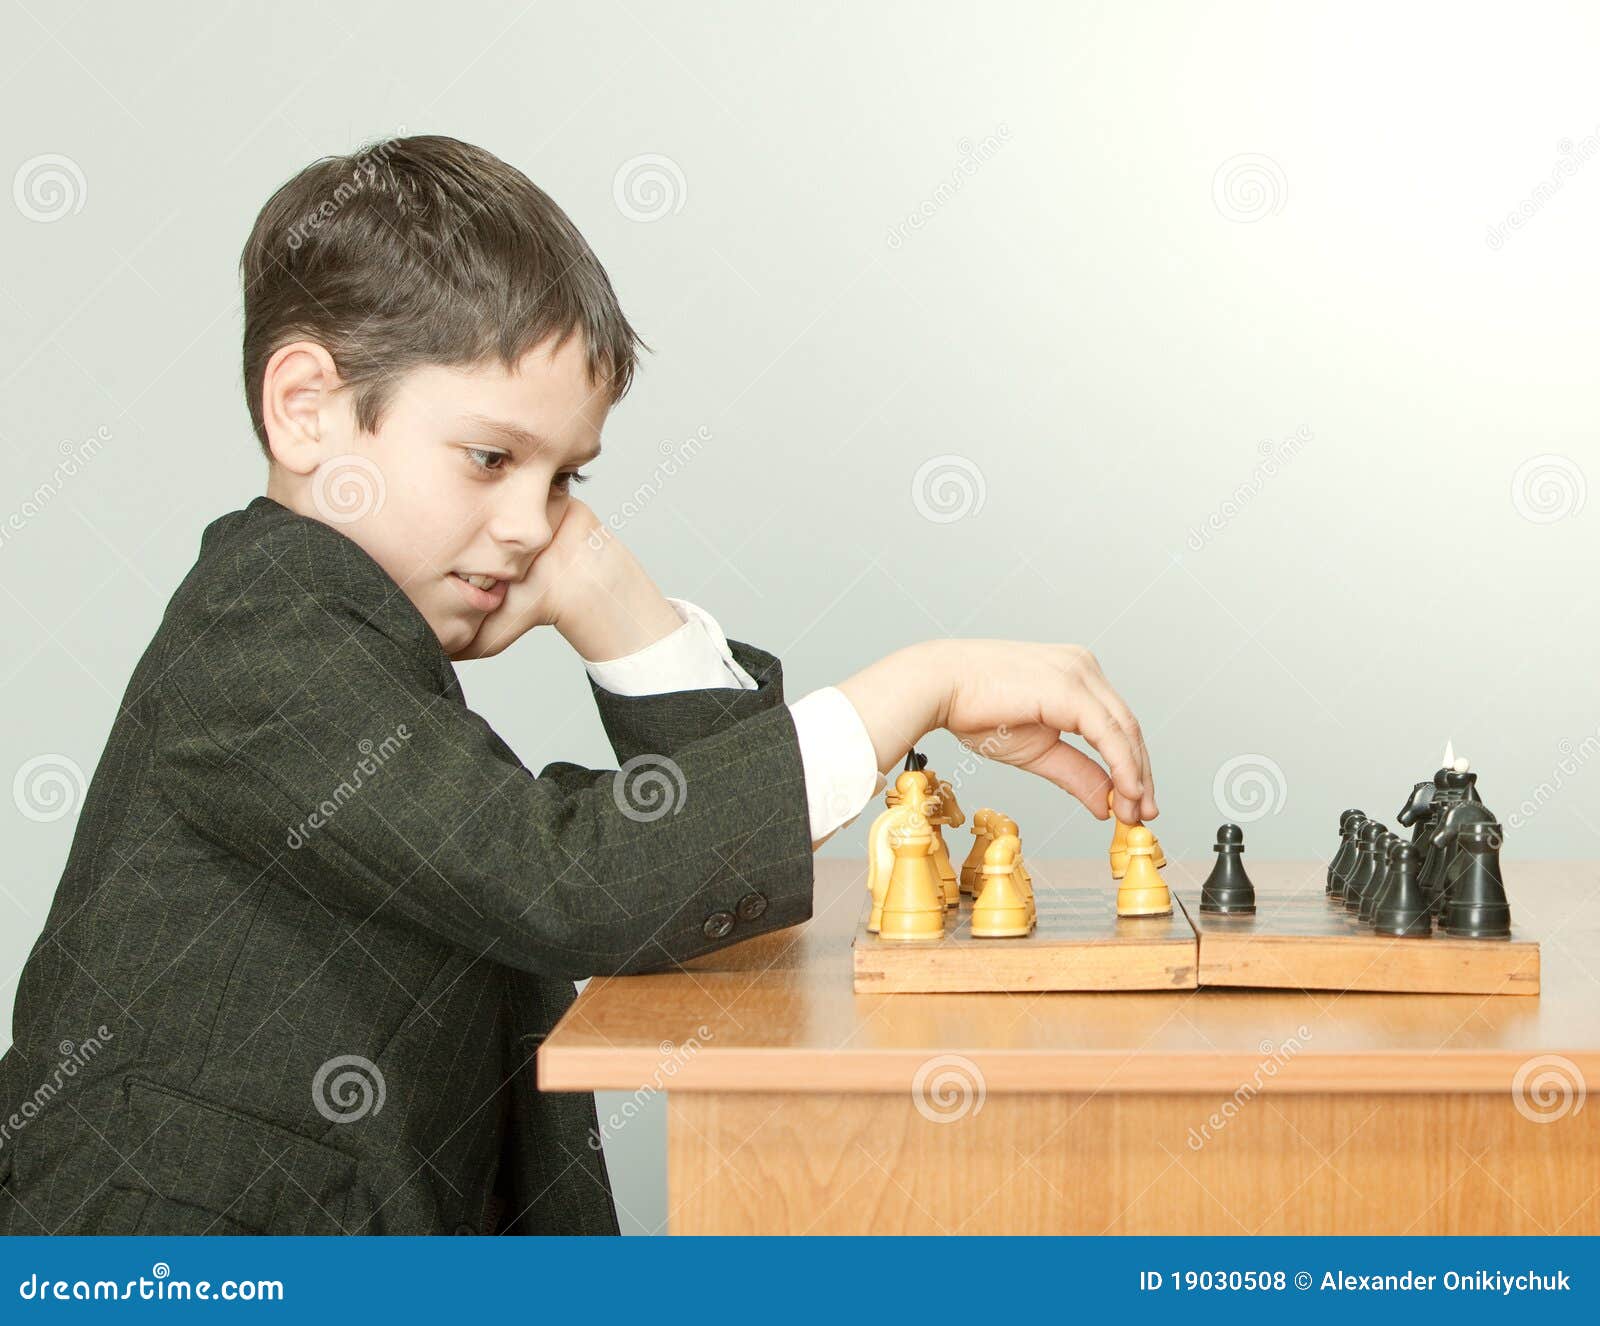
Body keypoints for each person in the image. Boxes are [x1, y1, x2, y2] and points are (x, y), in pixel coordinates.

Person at [0, 135, 1155, 1236]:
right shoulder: (263, 627)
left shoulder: (344, 637)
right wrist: (922, 684)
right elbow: (569, 877)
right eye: (492, 459)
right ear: (306, 408)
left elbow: (712, 899)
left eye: (565, 478)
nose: (530, 526)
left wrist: (614, 603)